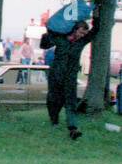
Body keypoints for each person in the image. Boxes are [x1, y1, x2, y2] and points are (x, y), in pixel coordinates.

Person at [40, 12, 98, 140]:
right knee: (53, 101)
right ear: (75, 29)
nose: (82, 35)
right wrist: (48, 31)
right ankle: (54, 120)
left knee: (71, 103)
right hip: (55, 76)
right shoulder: (60, 39)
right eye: (81, 32)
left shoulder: (80, 42)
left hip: (70, 78)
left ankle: (73, 128)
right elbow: (44, 44)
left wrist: (96, 17)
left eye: (84, 34)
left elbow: (94, 32)